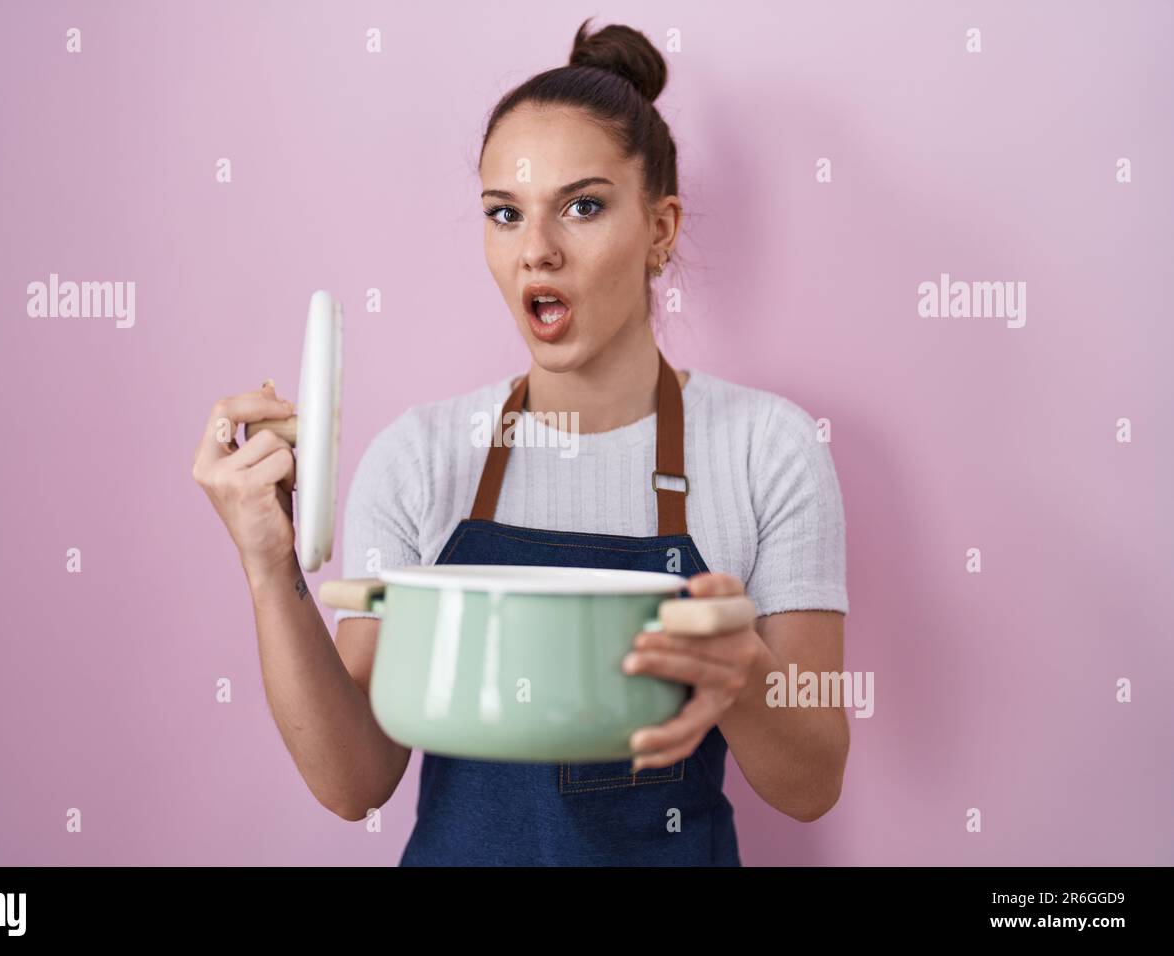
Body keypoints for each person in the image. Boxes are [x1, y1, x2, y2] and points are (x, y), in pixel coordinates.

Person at [193, 18, 849, 866]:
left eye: (582, 207)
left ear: (661, 228)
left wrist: (741, 672)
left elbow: (814, 781)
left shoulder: (770, 450)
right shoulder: (420, 459)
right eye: (505, 213)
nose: (536, 251)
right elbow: (355, 779)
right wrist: (269, 564)